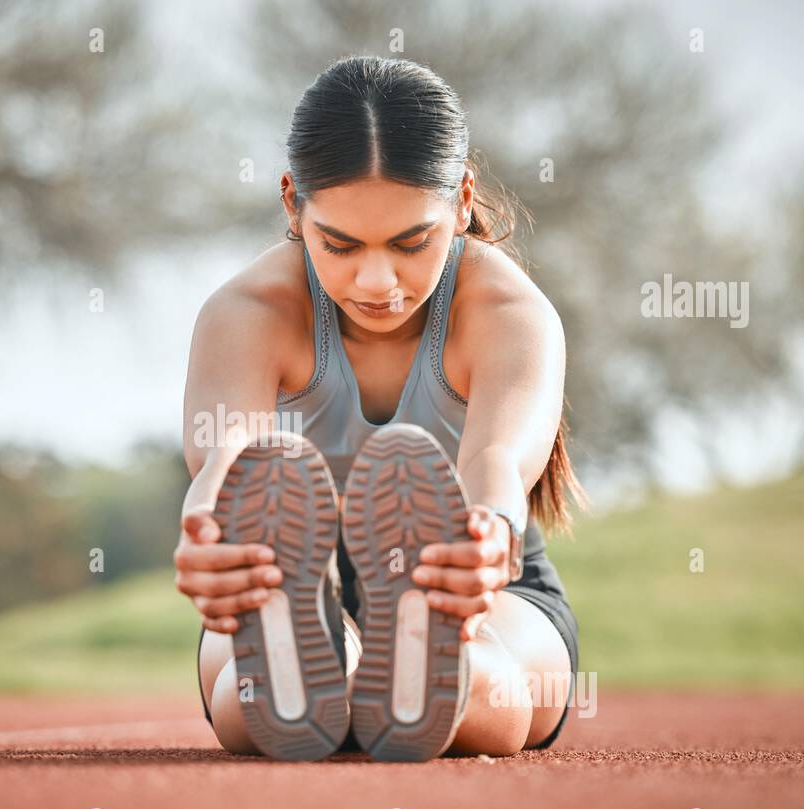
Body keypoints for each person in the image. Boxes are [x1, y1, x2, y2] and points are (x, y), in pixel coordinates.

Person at [175, 55, 589, 761]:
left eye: (410, 243)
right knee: (250, 711)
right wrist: (207, 531)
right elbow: (233, 457)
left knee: (501, 698)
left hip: (470, 570)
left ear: (461, 202)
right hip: (284, 575)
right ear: (290, 204)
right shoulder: (245, 312)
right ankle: (320, 655)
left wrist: (485, 536)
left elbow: (493, 461)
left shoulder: (511, 311)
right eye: (338, 245)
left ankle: (421, 663)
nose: (376, 282)